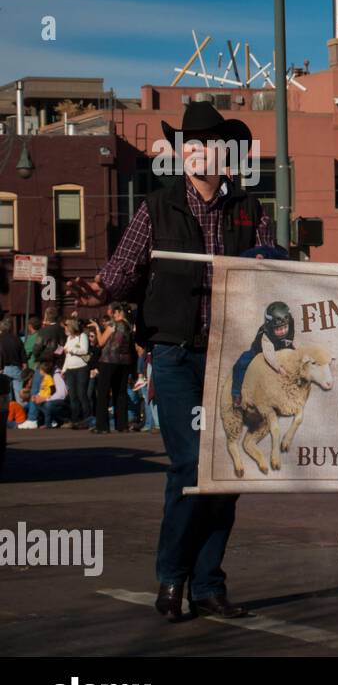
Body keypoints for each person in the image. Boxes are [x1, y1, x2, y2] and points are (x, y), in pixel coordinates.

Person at [67, 100, 274, 621]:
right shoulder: (156, 210)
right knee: (188, 467)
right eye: (192, 145)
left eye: (209, 144)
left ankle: (207, 585)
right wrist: (97, 291)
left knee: (226, 473)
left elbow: (273, 273)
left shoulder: (250, 210)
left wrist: (273, 263)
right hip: (176, 355)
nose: (200, 153)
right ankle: (172, 578)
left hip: (232, 360)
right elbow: (119, 273)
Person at [231, 301, 295, 411]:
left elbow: (292, 343)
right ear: (270, 327)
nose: (283, 331)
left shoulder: (290, 323)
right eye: (278, 329)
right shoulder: (265, 335)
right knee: (240, 364)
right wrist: (279, 368)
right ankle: (237, 394)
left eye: (285, 327)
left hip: (281, 348)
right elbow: (269, 354)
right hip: (259, 352)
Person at [89, 303, 133, 434]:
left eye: (111, 311)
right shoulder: (129, 325)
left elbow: (101, 342)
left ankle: (102, 426)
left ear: (117, 312)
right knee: (120, 392)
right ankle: (122, 425)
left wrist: (97, 329)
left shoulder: (113, 324)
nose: (109, 313)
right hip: (125, 361)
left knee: (103, 392)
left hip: (109, 360)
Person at [61, 316, 92, 429]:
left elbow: (84, 350)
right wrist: (64, 369)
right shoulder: (69, 338)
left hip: (81, 368)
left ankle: (87, 419)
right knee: (73, 395)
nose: (65, 329)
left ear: (71, 327)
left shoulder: (82, 336)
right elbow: (67, 356)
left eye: (66, 327)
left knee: (82, 394)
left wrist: (72, 350)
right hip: (70, 369)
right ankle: (75, 419)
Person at [20, 361, 68, 428]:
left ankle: (50, 422)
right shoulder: (44, 378)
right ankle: (46, 421)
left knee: (47, 405)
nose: (39, 372)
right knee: (31, 404)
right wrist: (37, 396)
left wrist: (45, 399)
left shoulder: (53, 376)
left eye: (40, 370)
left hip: (58, 400)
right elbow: (43, 389)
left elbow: (57, 392)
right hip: (46, 397)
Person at [0, 318, 25, 405]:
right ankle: (22, 414)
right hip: (16, 368)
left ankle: (9, 415)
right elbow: (23, 355)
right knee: (19, 394)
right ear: (10, 328)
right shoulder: (17, 339)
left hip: (3, 369)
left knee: (6, 395)